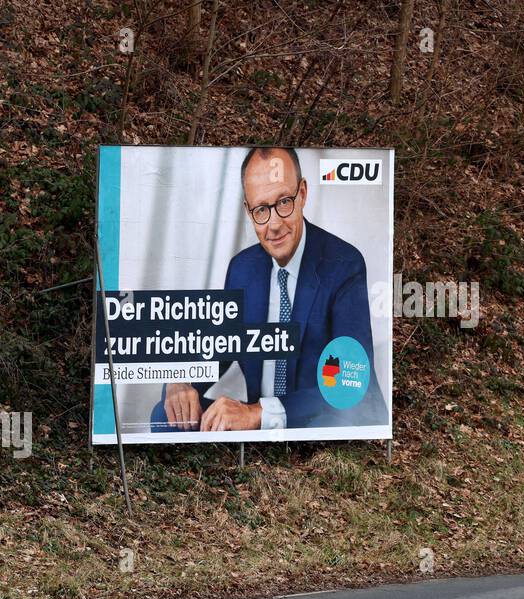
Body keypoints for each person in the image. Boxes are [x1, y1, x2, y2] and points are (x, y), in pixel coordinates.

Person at [151, 146, 383, 431]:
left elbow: (351, 382)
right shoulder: (242, 269)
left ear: (302, 195)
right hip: (258, 430)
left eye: (284, 202)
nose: (274, 224)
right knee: (167, 415)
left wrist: (260, 412)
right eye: (261, 209)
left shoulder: (343, 264)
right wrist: (181, 379)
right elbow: (216, 347)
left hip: (315, 419)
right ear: (249, 212)